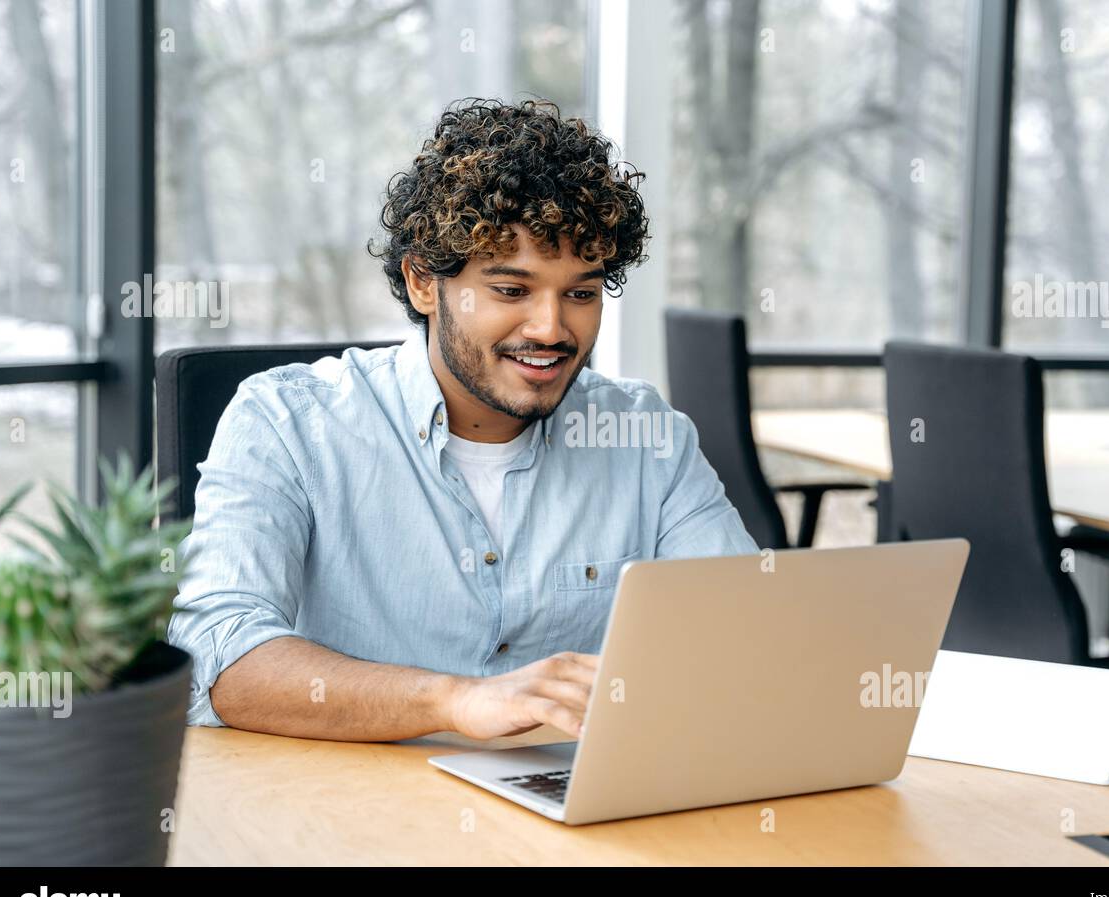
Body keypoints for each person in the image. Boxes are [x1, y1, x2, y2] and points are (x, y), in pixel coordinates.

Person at [166, 98, 757, 742]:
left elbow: (744, 630)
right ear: (424, 283)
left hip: (571, 815)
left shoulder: (648, 438)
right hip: (353, 809)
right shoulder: (286, 421)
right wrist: (453, 702)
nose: (550, 328)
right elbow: (220, 653)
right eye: (511, 291)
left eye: (580, 294)